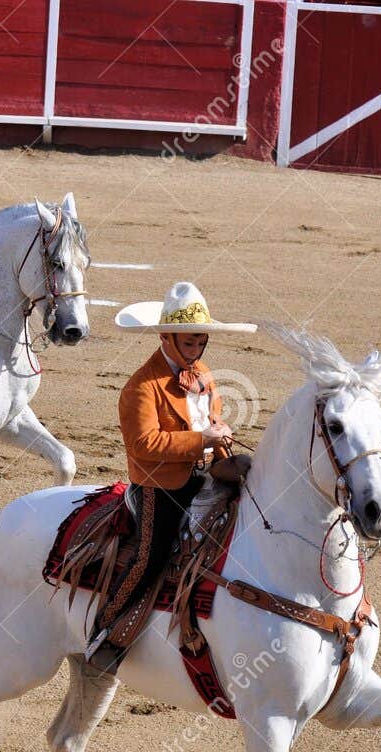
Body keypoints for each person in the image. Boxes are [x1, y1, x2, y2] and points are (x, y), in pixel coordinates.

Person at [87, 283, 257, 674]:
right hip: (159, 487)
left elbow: (210, 424)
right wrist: (202, 439)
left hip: (205, 474)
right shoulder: (141, 387)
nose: (197, 350)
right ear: (167, 337)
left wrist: (222, 446)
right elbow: (143, 445)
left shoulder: (204, 375)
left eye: (201, 342)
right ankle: (107, 631)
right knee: (152, 555)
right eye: (190, 343)